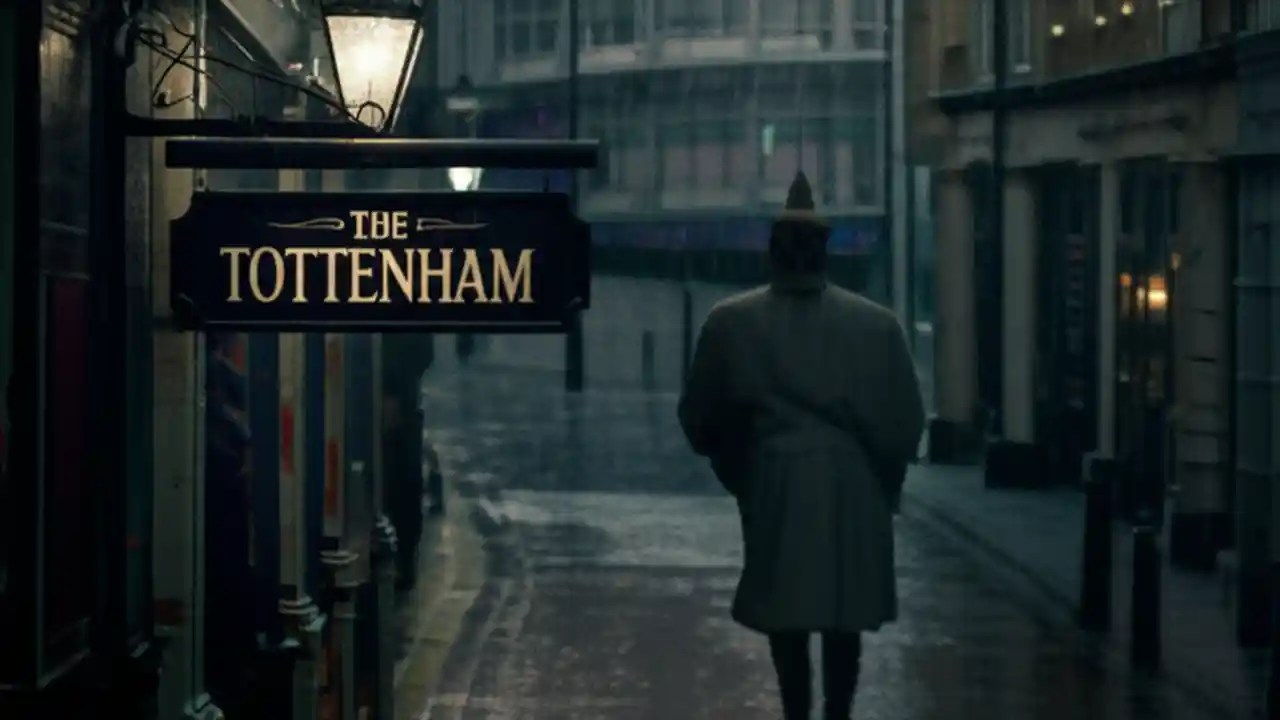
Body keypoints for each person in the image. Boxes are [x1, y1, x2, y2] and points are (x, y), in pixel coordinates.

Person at [678, 171, 924, 720]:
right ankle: (838, 714)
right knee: (844, 621)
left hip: (775, 481)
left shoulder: (731, 323)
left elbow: (700, 419)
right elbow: (906, 422)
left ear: (773, 252)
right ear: (824, 253)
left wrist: (740, 469)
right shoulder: (876, 327)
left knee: (787, 623)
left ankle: (797, 715)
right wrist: (886, 479)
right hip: (854, 485)